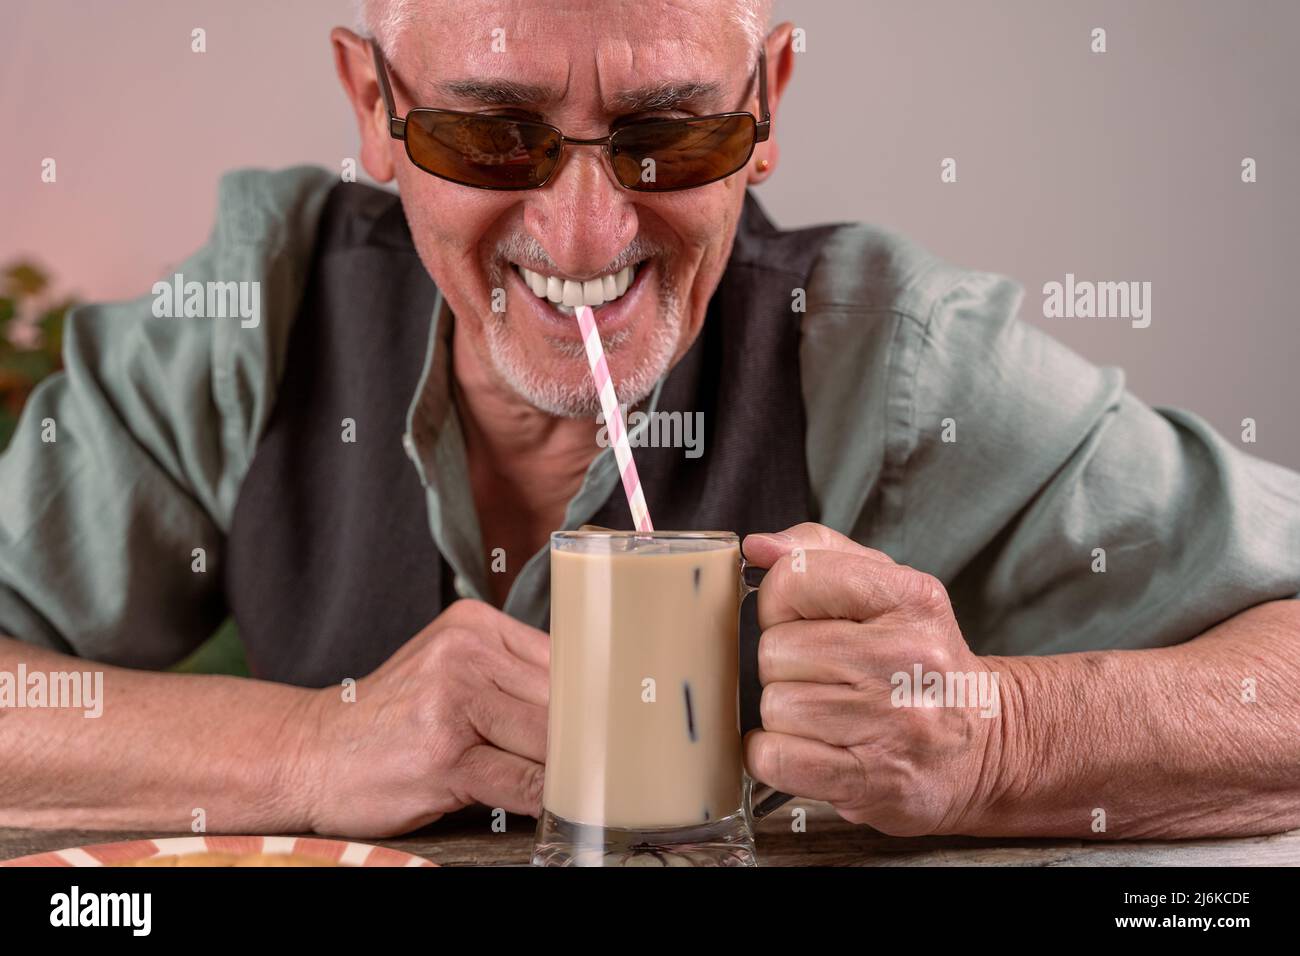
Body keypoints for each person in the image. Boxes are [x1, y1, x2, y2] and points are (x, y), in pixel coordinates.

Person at [1, 0, 1297, 840]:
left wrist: (1002, 738)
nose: (582, 233)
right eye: (488, 134)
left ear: (769, 102)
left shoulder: (894, 363)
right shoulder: (256, 313)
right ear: (372, 109)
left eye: (667, 138)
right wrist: (314, 746)